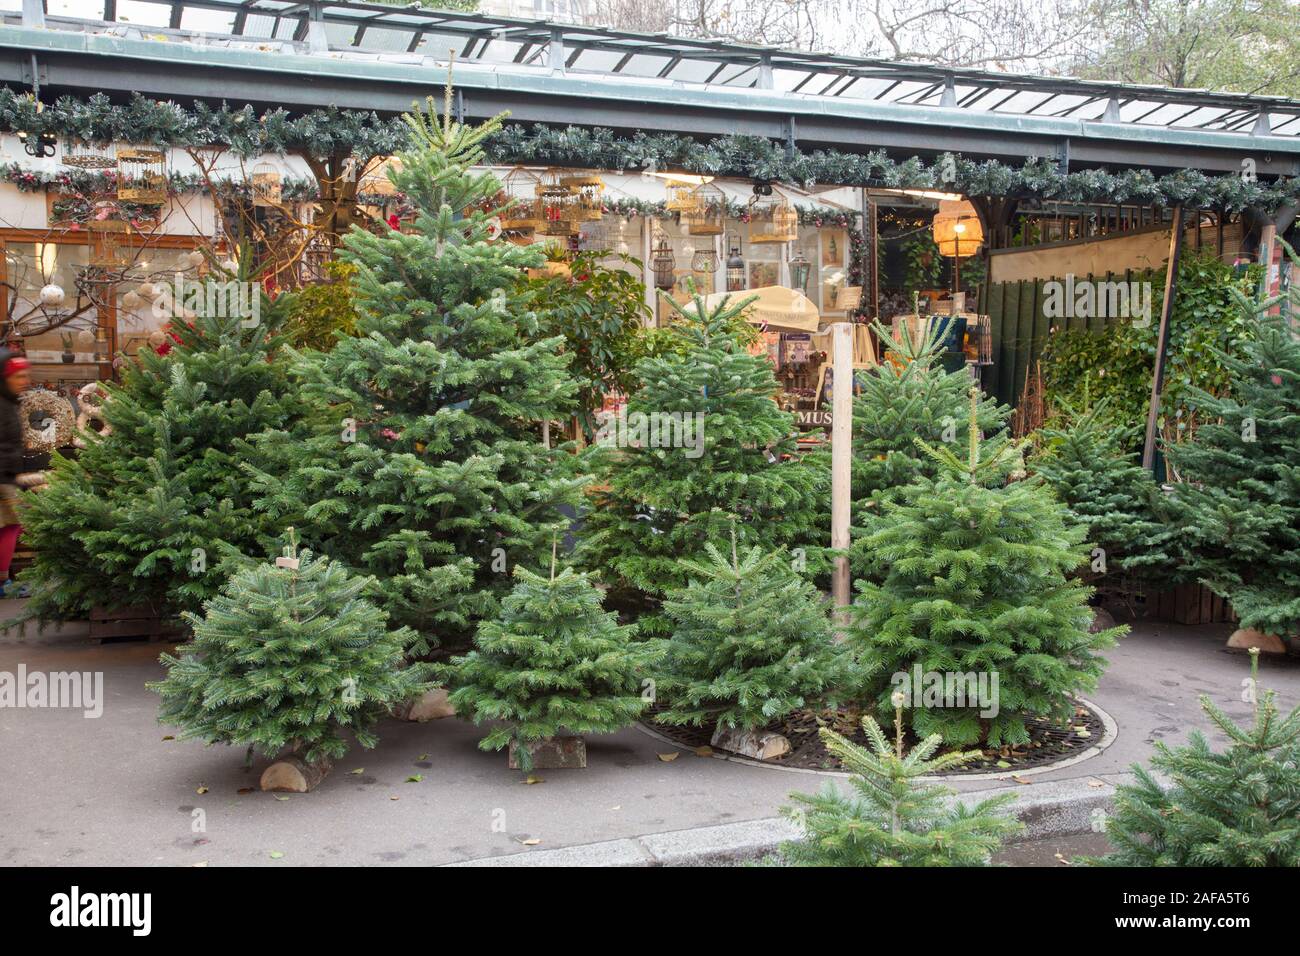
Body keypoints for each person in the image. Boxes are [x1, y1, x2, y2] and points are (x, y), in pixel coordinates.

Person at [0, 349, 30, 598]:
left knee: (9, 527)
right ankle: (2, 582)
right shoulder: (3, 405)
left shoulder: (9, 403)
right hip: (3, 475)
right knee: (11, 525)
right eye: (18, 376)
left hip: (7, 473)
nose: (24, 381)